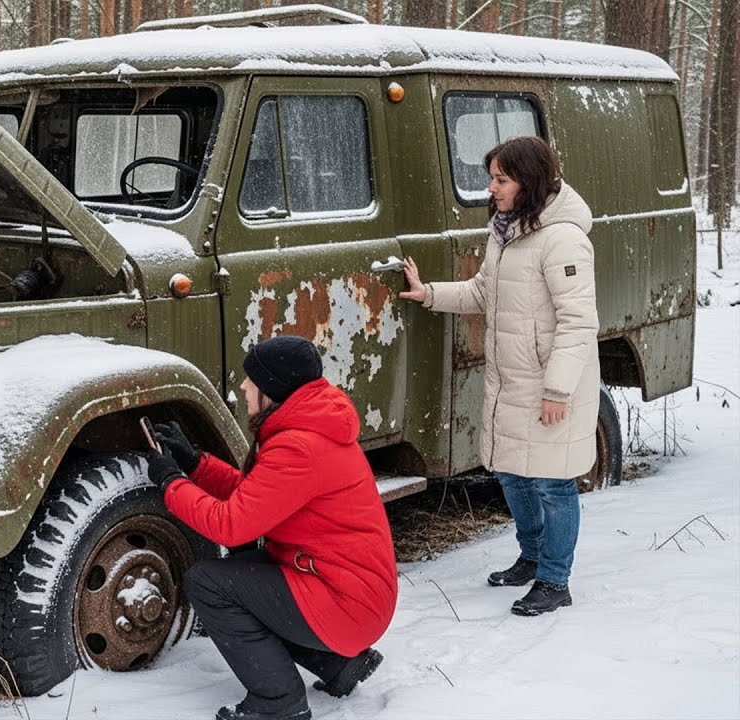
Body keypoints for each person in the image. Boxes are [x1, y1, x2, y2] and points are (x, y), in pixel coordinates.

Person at [146, 336, 397, 720]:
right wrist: (195, 463)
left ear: (274, 389)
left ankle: (277, 702)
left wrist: (171, 485)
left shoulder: (299, 446)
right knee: (244, 566)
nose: (244, 386)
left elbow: (229, 525)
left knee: (209, 583)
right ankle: (338, 666)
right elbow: (256, 498)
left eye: (253, 380)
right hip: (349, 590)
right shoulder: (308, 428)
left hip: (347, 603)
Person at [399, 135, 599, 617]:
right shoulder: (507, 231)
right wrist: (428, 293)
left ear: (527, 182)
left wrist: (557, 390)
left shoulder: (563, 238)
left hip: (551, 384)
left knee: (552, 482)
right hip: (510, 380)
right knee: (512, 472)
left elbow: (578, 322)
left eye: (500, 179)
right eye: (491, 177)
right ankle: (531, 556)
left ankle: (555, 579)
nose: (491, 188)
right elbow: (482, 292)